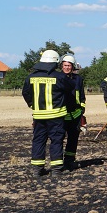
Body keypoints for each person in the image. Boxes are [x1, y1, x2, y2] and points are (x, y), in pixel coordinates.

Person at [22, 49, 73, 177]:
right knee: (56, 141)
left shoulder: (31, 77)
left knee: (38, 141)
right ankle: (56, 169)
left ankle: (37, 169)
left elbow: (25, 93)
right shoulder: (60, 77)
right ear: (56, 62)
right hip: (56, 116)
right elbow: (70, 88)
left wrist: (33, 105)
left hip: (39, 116)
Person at [60, 54, 86, 170]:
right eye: (65, 65)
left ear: (73, 66)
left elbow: (81, 96)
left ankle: (69, 161)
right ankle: (58, 161)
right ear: (61, 66)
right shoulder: (57, 78)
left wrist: (81, 109)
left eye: (69, 65)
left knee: (73, 139)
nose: (67, 68)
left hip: (75, 114)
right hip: (61, 114)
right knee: (58, 139)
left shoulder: (78, 79)